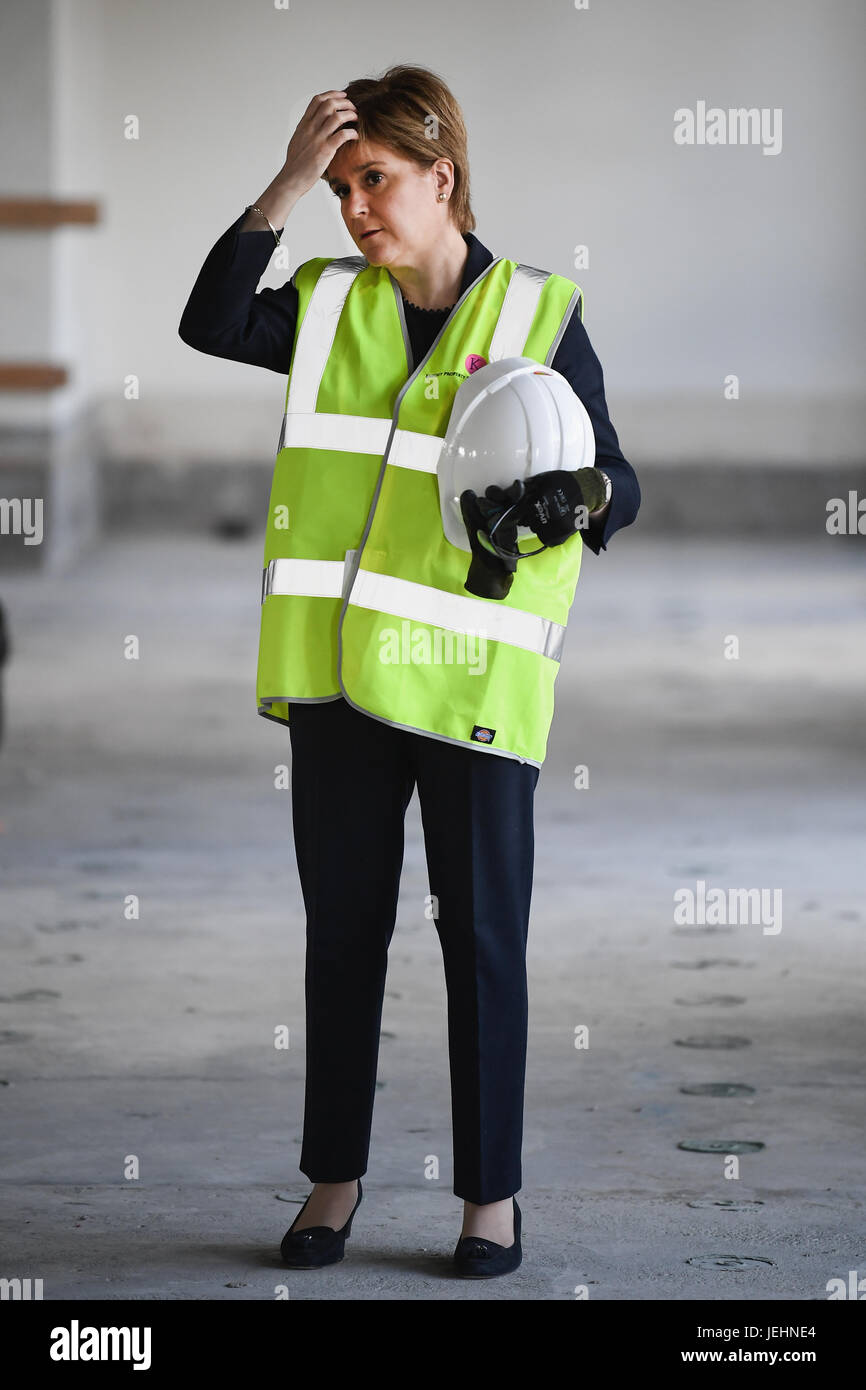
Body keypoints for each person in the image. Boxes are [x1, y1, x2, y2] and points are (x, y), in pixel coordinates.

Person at [179, 63, 640, 1279]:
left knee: (481, 938)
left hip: (472, 690)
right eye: (338, 188)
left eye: (371, 180)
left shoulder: (538, 315)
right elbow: (210, 322)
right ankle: (333, 1182)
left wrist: (573, 496)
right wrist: (281, 180)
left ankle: (489, 1200)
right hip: (339, 683)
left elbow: (620, 482)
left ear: (443, 176)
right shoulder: (327, 307)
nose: (354, 209)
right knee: (344, 934)